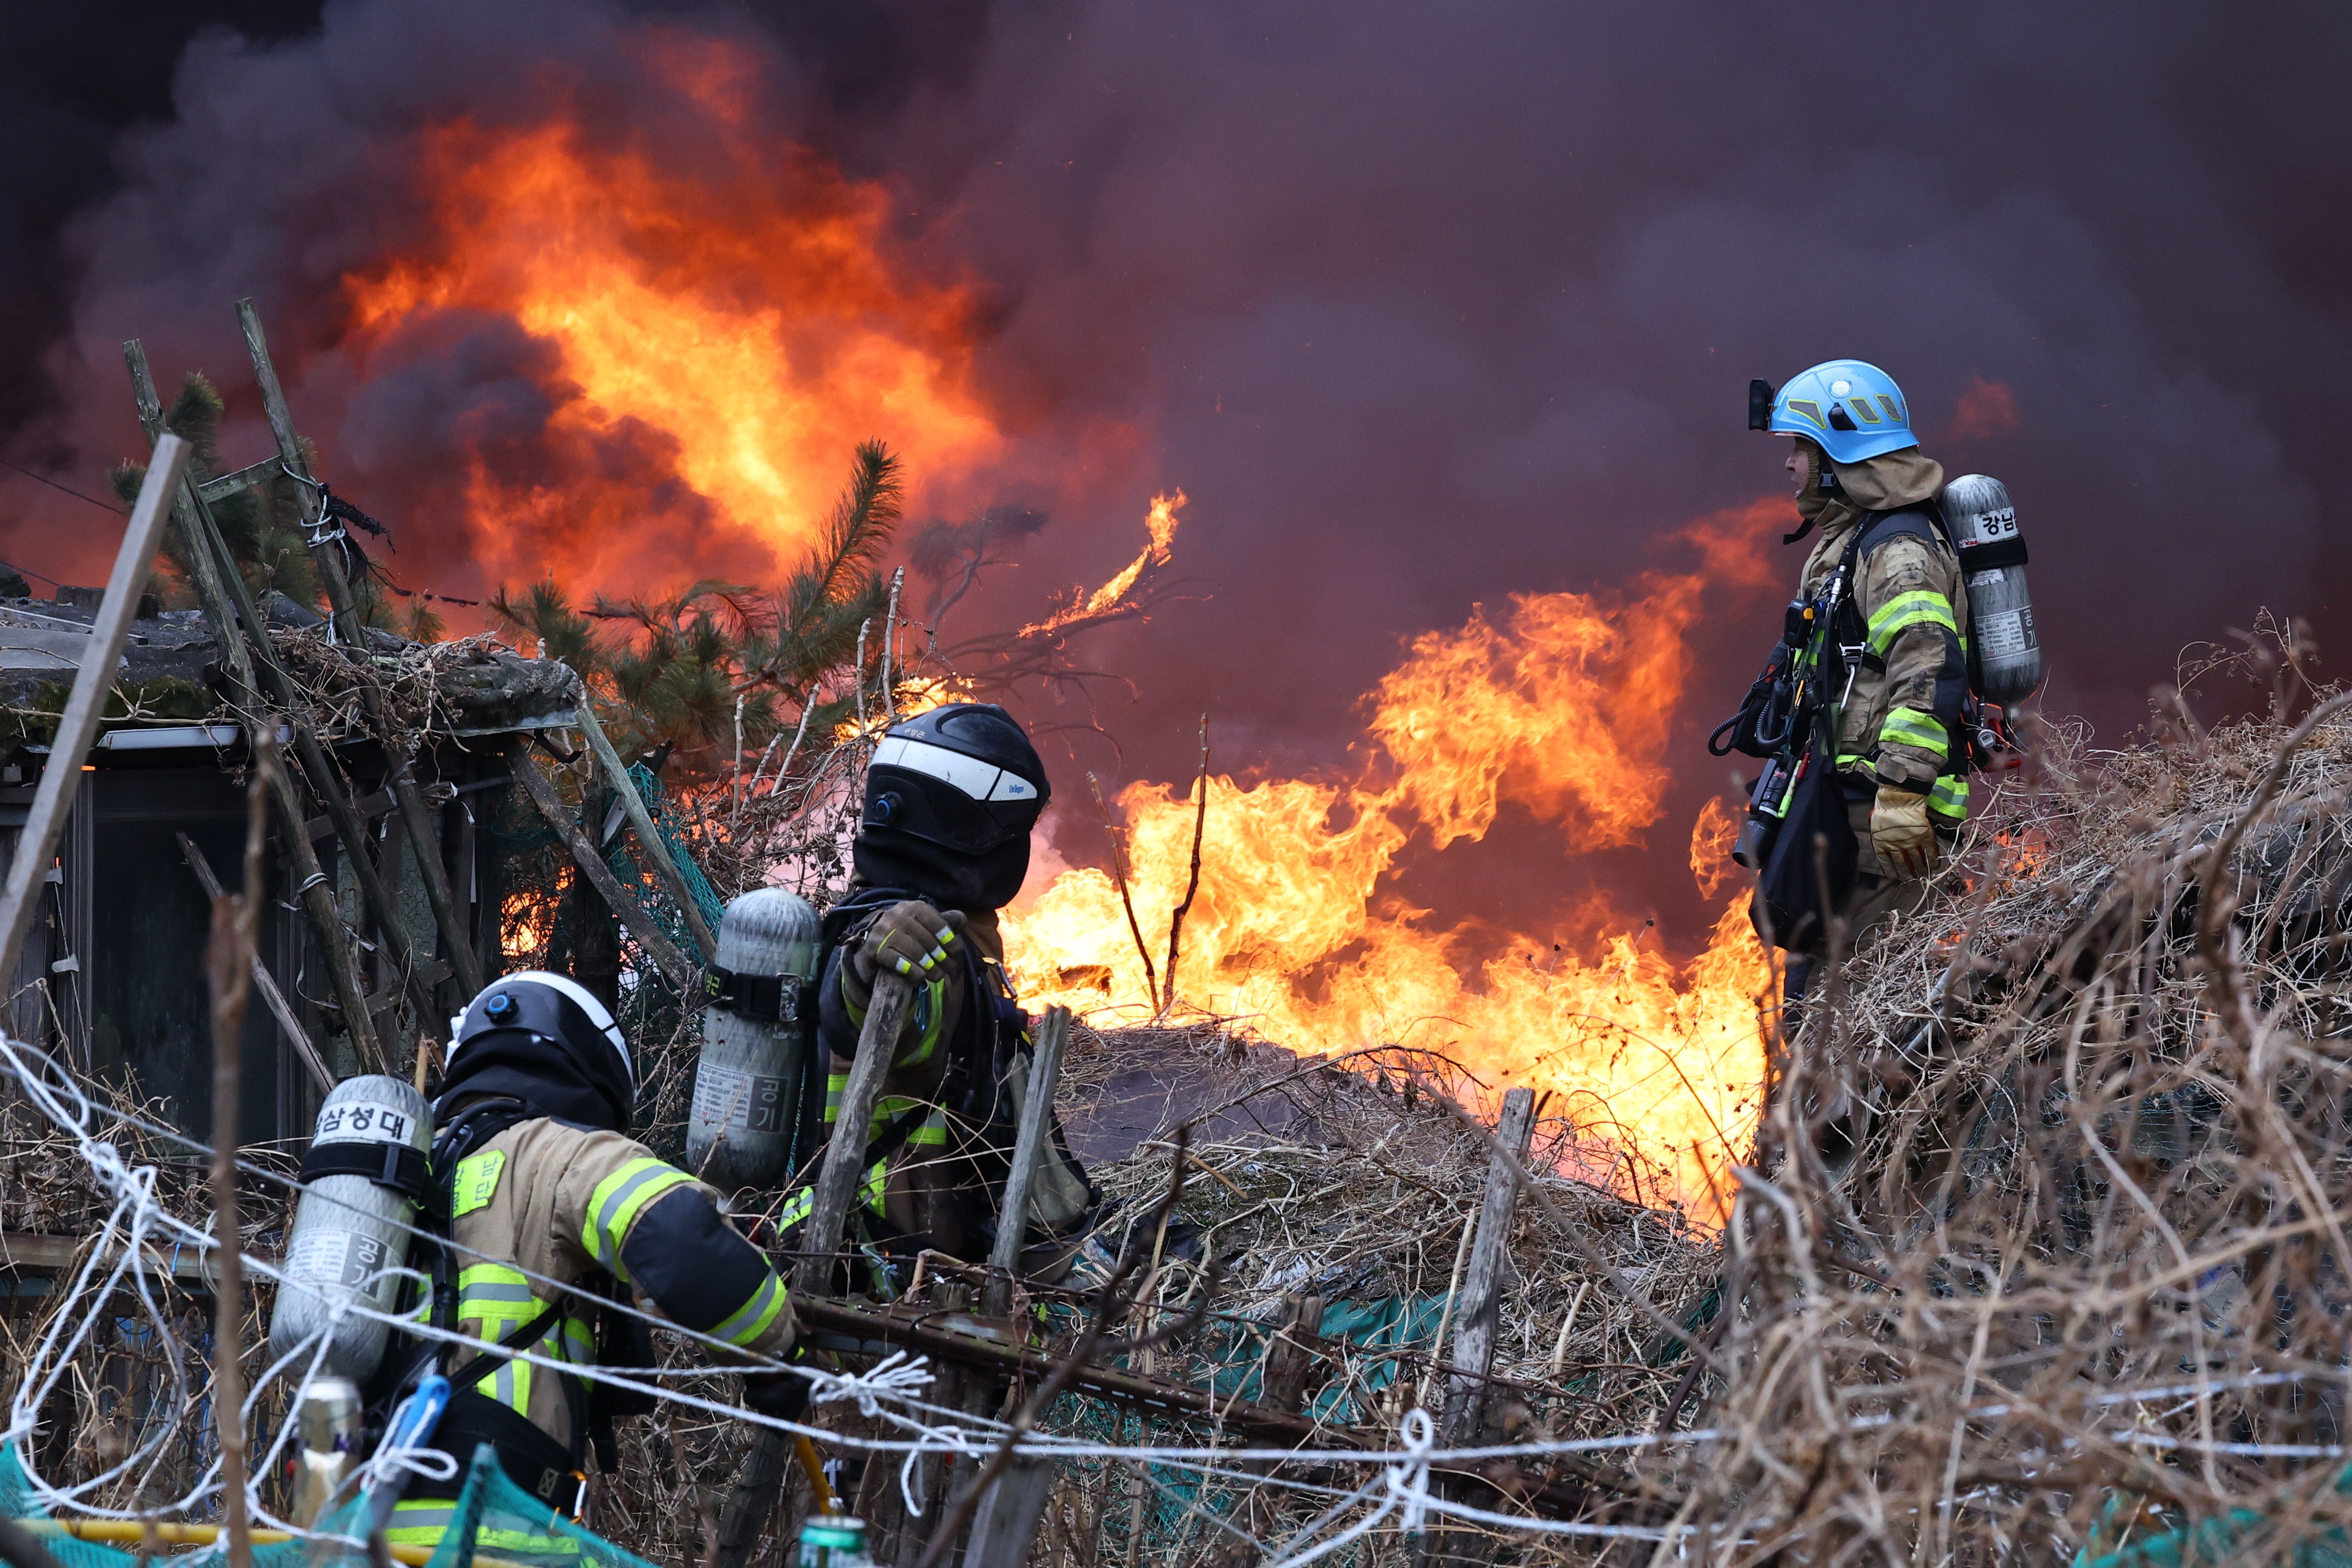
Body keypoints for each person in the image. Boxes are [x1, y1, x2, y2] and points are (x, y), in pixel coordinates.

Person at [380, 972, 804, 1547]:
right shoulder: (558, 1154)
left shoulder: (406, 1167)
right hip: (486, 1536)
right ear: (594, 1072)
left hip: (352, 1531)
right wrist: (778, 1354)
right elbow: (683, 1240)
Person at [795, 702, 1093, 1286]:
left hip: (877, 1258)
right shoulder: (913, 947)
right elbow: (865, 1012)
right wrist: (874, 966)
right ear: (978, 829)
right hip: (893, 1275)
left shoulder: (864, 921)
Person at [1758, 360, 1970, 1008]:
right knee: (1813, 991)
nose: (1789, 463)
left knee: (1850, 1012)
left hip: (1886, 823)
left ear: (1837, 456)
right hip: (1847, 810)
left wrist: (1903, 793)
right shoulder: (1851, 541)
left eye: (1801, 448)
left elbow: (1927, 663)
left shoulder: (1897, 551)